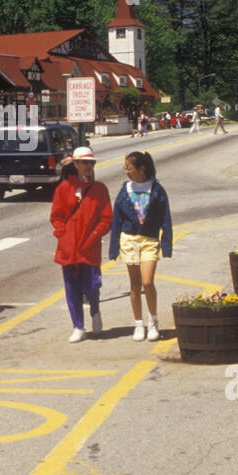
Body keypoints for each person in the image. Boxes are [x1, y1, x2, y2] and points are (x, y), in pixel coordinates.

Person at [50, 146, 112, 343]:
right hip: (68, 248)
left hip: (90, 247)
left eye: (91, 163)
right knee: (72, 288)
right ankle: (78, 326)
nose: (89, 166)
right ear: (75, 164)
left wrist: (94, 236)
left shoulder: (100, 189)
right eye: (85, 163)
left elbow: (106, 218)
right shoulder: (63, 188)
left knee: (92, 285)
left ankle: (95, 311)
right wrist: (62, 234)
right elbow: (57, 215)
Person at [110, 150, 173, 342]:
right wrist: (113, 248)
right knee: (134, 285)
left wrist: (167, 243)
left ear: (141, 168)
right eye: (125, 168)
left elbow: (165, 218)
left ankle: (153, 321)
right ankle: (139, 324)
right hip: (129, 240)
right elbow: (117, 219)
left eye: (129, 168)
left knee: (147, 282)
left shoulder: (156, 189)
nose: (126, 171)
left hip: (149, 240)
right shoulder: (124, 189)